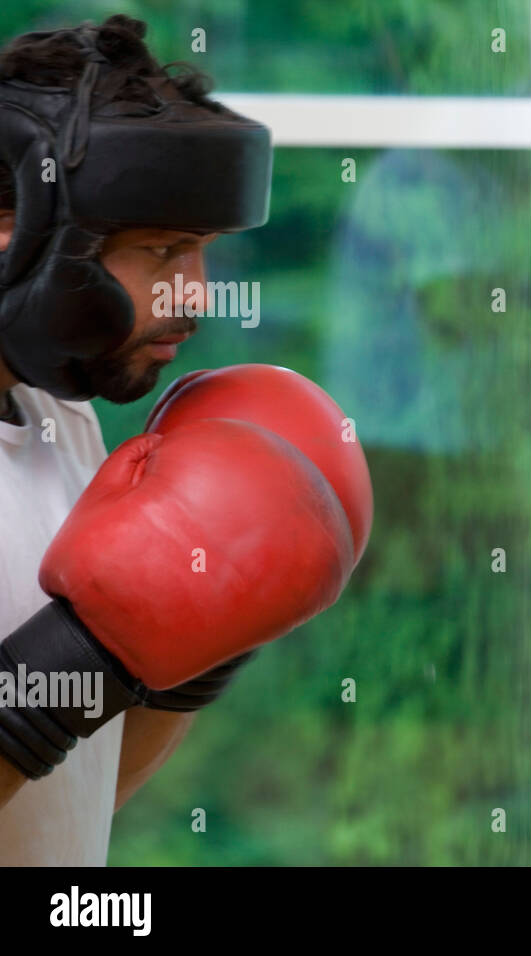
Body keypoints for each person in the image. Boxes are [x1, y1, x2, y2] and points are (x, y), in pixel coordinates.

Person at [0, 16, 370, 865]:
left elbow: (72, 798)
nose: (194, 299)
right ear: (15, 230)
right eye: (163, 252)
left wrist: (192, 652)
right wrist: (76, 664)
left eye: (200, 253)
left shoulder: (66, 424)